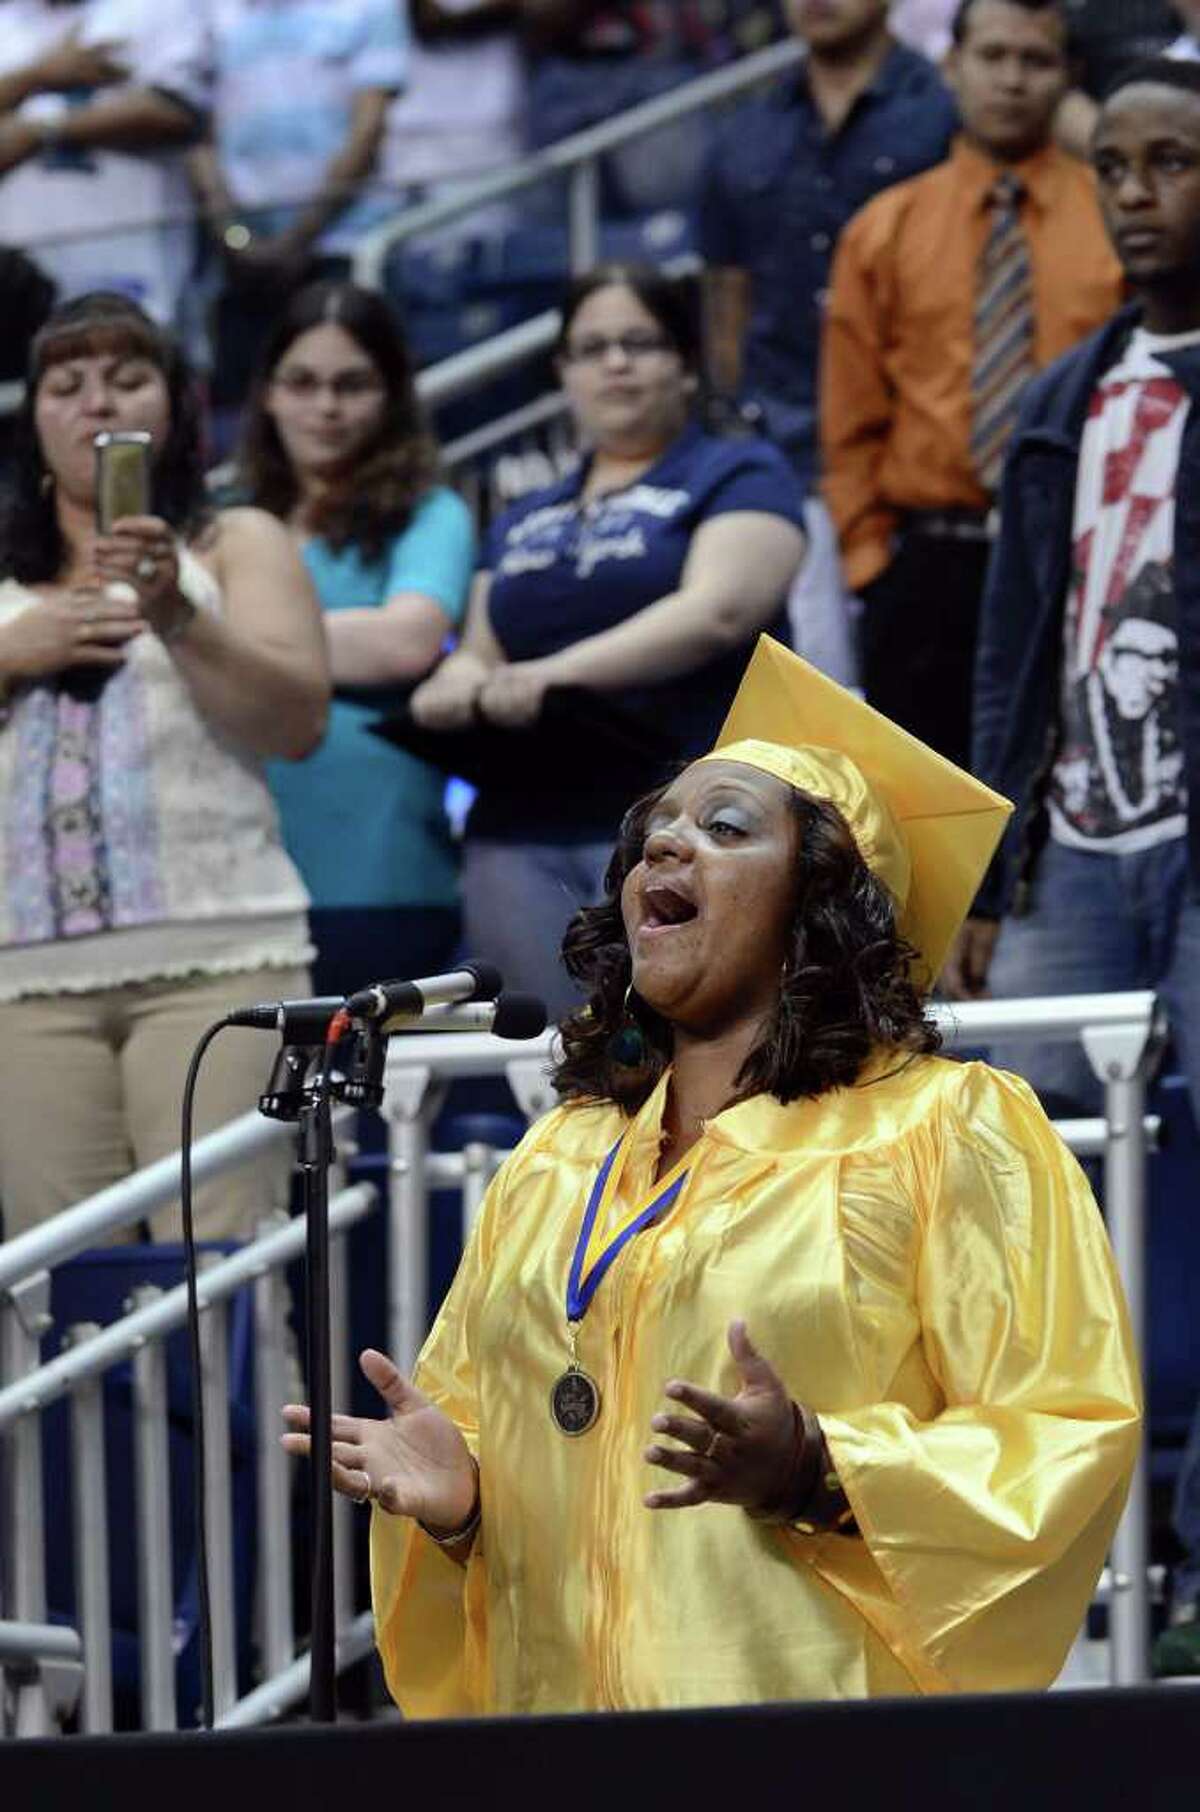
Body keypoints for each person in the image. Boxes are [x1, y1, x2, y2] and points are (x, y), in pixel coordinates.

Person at [284, 635, 1141, 1715]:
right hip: (558, 1751)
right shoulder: (564, 1158)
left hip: (803, 1754)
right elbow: (511, 1459)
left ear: (820, 907)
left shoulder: (950, 1129)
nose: (665, 850)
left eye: (725, 826)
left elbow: (1061, 1437)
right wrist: (465, 1511)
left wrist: (821, 1471)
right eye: (653, 833)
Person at [946, 57, 1200, 1678]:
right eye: (1116, 164)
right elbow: (1008, 653)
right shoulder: (1058, 398)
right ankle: (1041, 1557)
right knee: (1023, 1193)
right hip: (1070, 842)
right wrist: (977, 863)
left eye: (1173, 160)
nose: (1137, 188)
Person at [0, 291, 329, 1241]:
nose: (98, 403)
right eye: (68, 384)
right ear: (34, 417)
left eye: (128, 379)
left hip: (219, 957)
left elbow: (298, 723)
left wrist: (175, 613)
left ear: (178, 405)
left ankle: (250, 1402)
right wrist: (18, 650)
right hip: (24, 975)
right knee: (53, 1285)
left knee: (223, 1255)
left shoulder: (238, 540)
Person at [408, 263, 806, 1020]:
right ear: (563, 373)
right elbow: (483, 650)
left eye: (640, 342)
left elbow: (716, 612)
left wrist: (552, 675)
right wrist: (448, 684)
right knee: (550, 1071)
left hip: (683, 825)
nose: (615, 363)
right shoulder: (525, 515)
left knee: (695, 1046)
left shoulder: (740, 472)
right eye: (591, 349)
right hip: (519, 827)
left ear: (687, 365)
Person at [820, 0, 1123, 771]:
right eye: (993, 57)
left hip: (1087, 551)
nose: (1012, 80)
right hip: (926, 567)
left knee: (1079, 791)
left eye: (1036, 61)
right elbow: (850, 415)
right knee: (926, 827)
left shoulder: (1120, 220)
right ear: (951, 67)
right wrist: (869, 564)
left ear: (1070, 78)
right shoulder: (884, 227)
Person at [236, 280, 475, 996]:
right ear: (268, 394)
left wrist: (227, 643)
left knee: (382, 1104)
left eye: (352, 385)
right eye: (302, 383)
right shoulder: (227, 516)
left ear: (392, 396)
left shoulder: (429, 511)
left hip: (383, 865)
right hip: (243, 869)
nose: (326, 407)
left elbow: (405, 640)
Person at [188, 0, 409, 434]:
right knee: (242, 422)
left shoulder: (370, 7)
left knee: (345, 409)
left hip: (342, 247)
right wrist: (236, 237)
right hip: (242, 264)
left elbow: (367, 134)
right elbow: (199, 140)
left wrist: (296, 238)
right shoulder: (208, 13)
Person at [0, 0, 209, 332]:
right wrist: (37, 76)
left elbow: (177, 110)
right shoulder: (8, 21)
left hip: (137, 272)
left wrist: (40, 131)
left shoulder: (158, 8)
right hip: (16, 290)